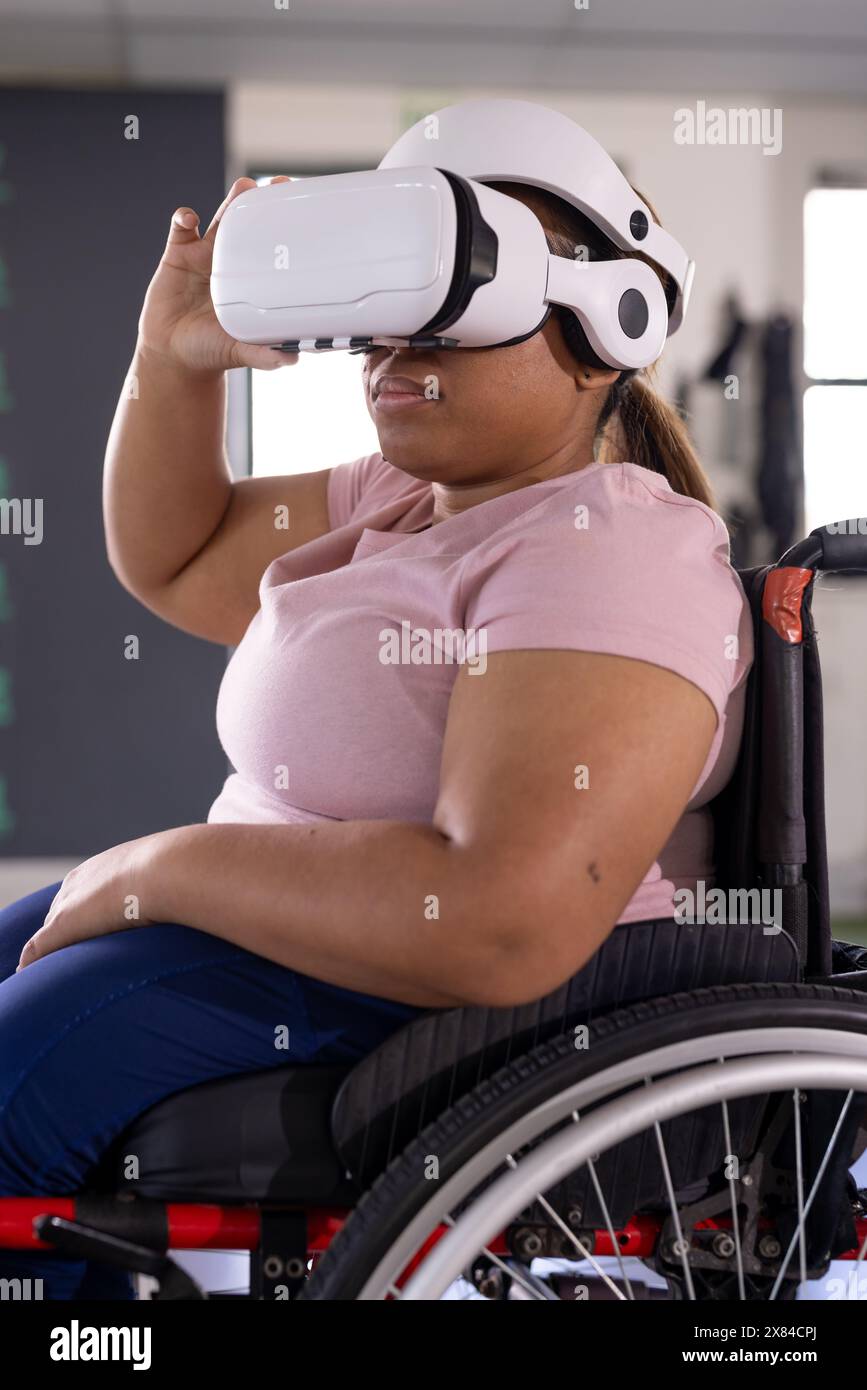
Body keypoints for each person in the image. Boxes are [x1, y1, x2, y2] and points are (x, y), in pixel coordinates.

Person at [0, 103, 753, 1299]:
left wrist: (166, 867)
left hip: (390, 996)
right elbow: (175, 553)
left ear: (606, 327)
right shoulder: (398, 496)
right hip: (273, 947)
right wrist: (173, 360)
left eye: (450, 315)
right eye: (385, 315)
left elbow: (500, 914)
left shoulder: (604, 549)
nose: (397, 353)